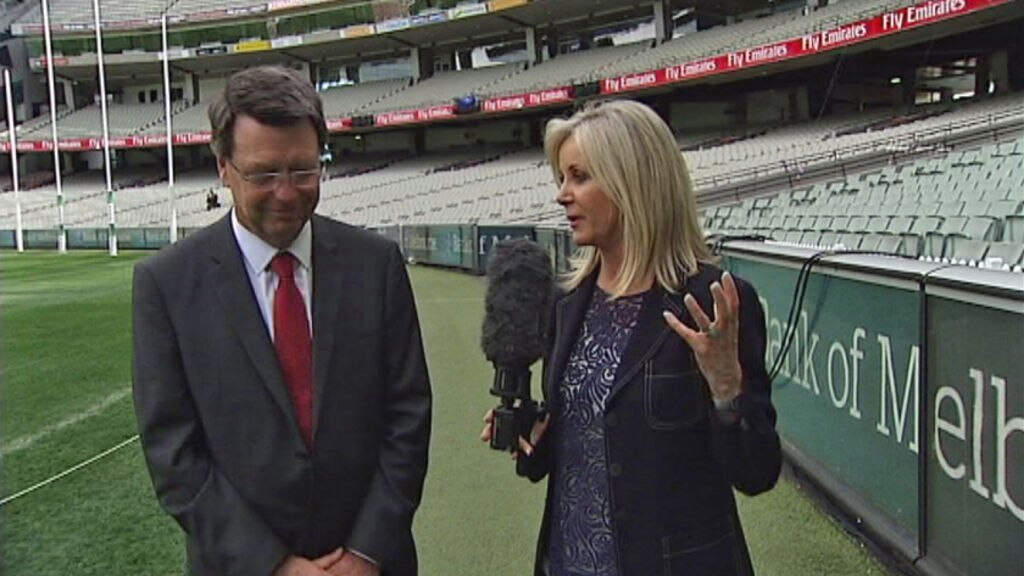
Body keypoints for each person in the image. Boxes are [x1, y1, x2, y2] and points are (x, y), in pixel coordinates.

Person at [133, 66, 432, 576]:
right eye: (264, 174)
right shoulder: (167, 283)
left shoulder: (375, 264)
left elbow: (407, 413)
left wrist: (365, 552)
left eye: (303, 170)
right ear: (224, 167)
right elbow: (173, 452)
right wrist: (271, 564)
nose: (287, 192)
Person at [481, 100, 781, 576]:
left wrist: (728, 389)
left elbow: (756, 472)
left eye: (579, 177)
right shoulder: (566, 303)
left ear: (631, 184)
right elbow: (584, 443)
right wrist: (538, 436)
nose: (563, 195)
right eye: (561, 178)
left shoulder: (712, 301)